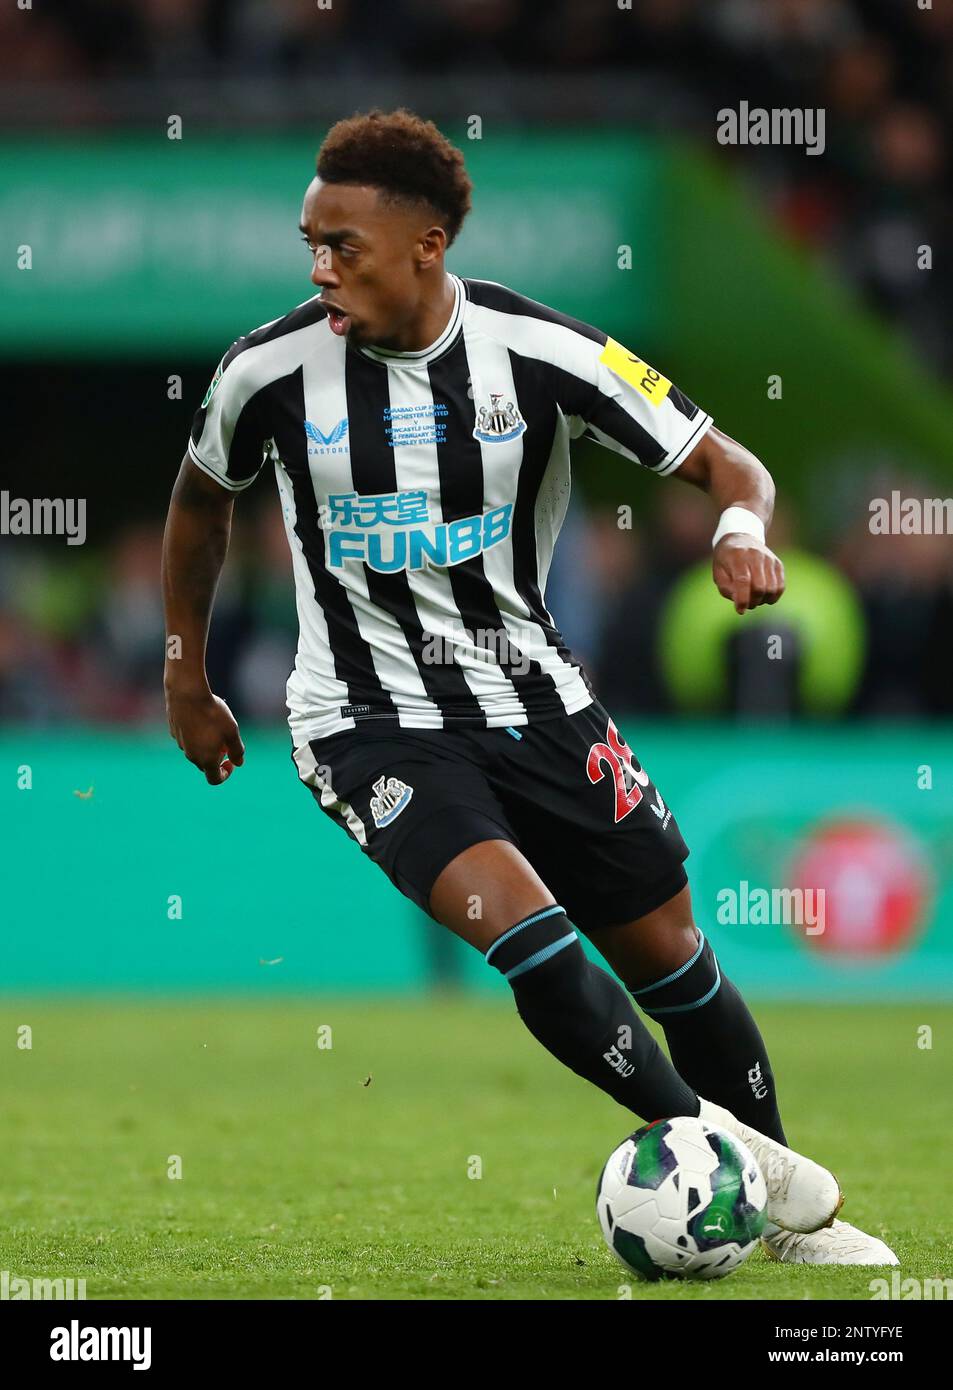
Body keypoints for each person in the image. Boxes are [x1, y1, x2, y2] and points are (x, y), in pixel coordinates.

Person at [162, 109, 896, 1266]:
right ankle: (747, 1167)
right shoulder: (265, 368)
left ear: (426, 245)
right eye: (309, 240)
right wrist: (184, 670)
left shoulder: (539, 351)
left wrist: (741, 526)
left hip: (539, 703)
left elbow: (723, 460)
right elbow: (201, 501)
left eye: (342, 244)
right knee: (533, 939)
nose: (319, 266)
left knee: (668, 956)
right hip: (367, 722)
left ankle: (774, 1206)